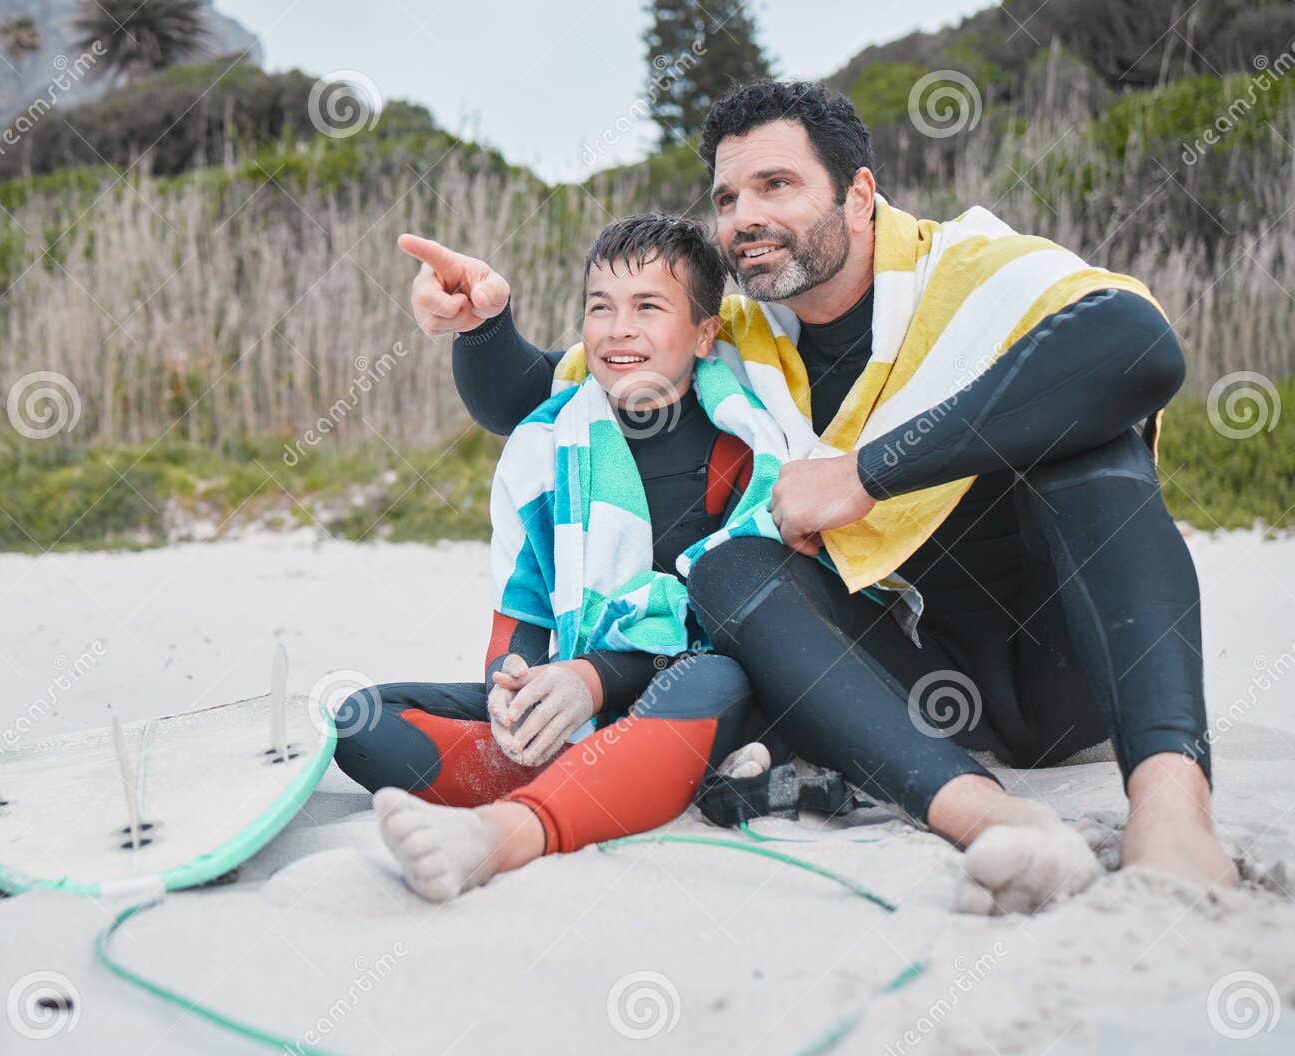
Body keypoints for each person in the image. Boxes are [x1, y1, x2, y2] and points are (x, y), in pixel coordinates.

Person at [403, 80, 1235, 915]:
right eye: (727, 197)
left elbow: (1137, 349)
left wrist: (863, 472)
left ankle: (1170, 812)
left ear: (860, 194)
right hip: (914, 688)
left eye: (776, 185)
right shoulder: (739, 335)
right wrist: (483, 324)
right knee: (729, 569)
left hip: (1074, 662)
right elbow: (537, 395)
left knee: (1091, 440)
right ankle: (986, 813)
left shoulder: (973, 271)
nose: (743, 217)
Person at [336, 214, 783, 902]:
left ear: (704, 332)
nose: (617, 328)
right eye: (599, 307)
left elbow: (734, 628)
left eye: (648, 306)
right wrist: (510, 691)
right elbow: (517, 621)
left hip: (698, 683)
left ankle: (532, 815)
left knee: (715, 678)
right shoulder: (550, 446)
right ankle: (610, 773)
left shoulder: (743, 445)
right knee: (359, 717)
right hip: (579, 699)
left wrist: (596, 678)